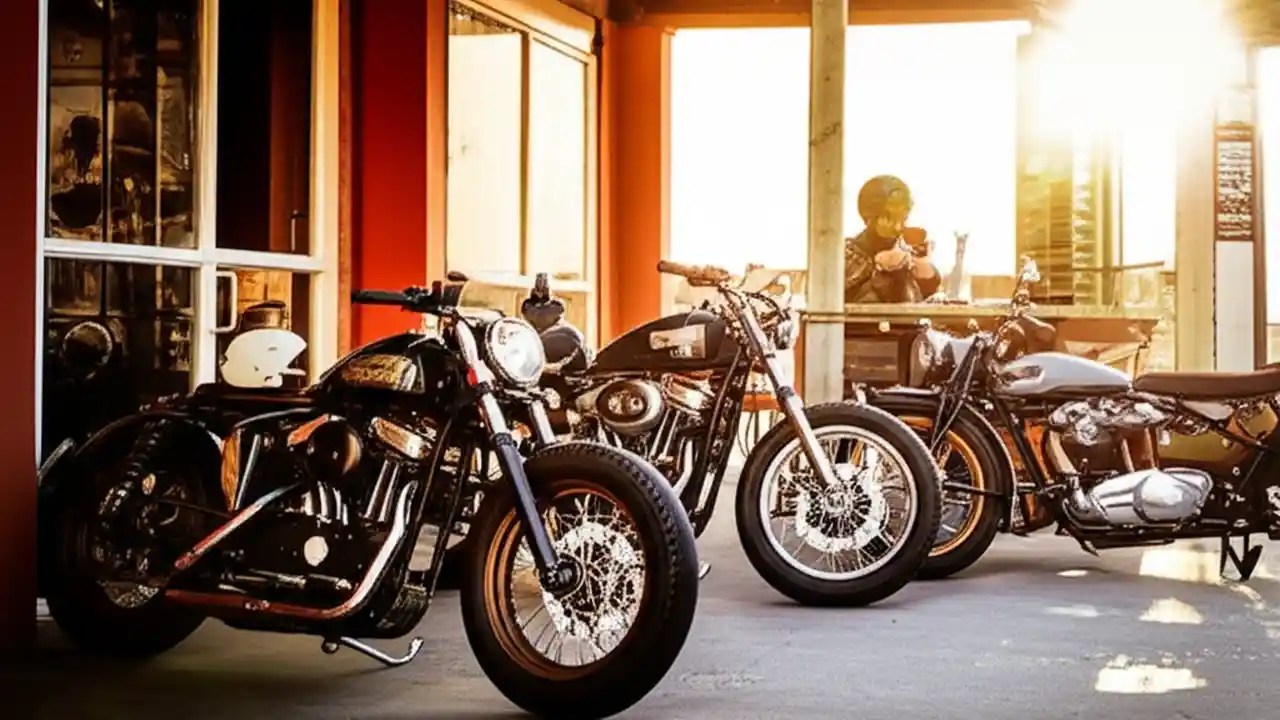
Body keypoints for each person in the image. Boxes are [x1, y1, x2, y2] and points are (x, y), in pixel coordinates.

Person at [844, 175, 942, 303]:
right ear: (869, 218)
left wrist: (925, 271)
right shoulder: (847, 255)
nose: (897, 227)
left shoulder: (906, 250)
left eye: (903, 219)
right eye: (889, 219)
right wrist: (880, 269)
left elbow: (930, 291)